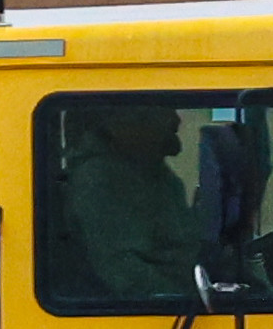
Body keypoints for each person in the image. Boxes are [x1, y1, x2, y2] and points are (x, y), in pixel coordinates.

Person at [58, 102, 211, 308]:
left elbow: (184, 249)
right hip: (142, 317)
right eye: (161, 113)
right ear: (119, 123)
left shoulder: (157, 175)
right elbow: (122, 269)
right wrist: (182, 300)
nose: (175, 122)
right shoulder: (100, 179)